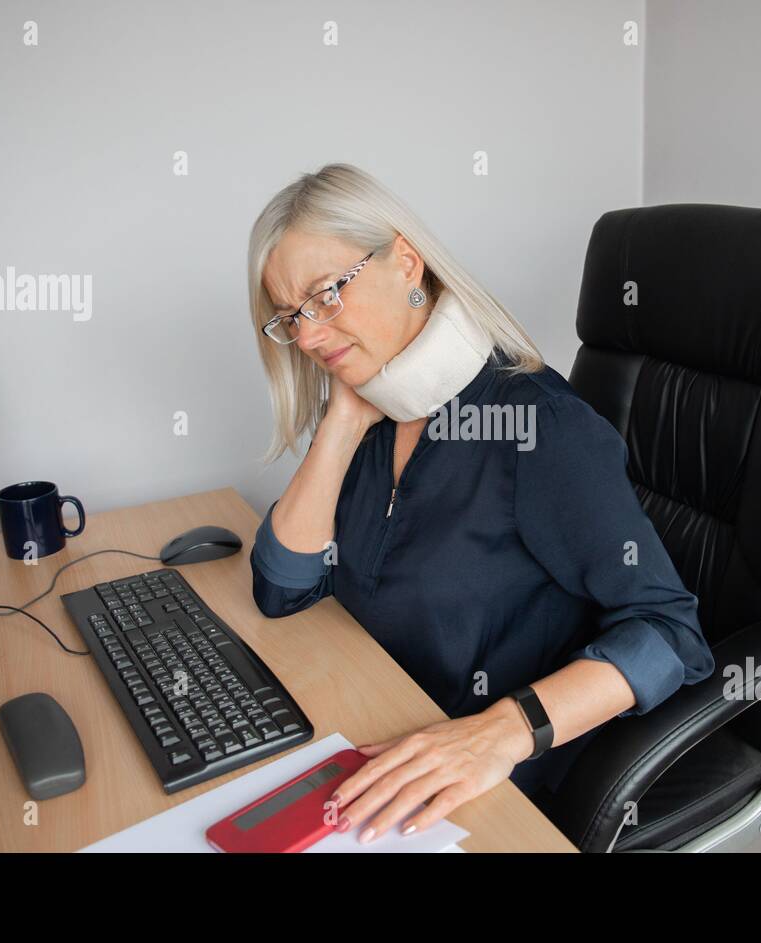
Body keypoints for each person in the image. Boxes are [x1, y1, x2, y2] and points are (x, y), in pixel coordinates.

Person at [246, 162, 714, 845]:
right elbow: (280, 589)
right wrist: (342, 423)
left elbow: (673, 633)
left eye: (324, 296)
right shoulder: (377, 406)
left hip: (485, 780)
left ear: (405, 262)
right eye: (293, 317)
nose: (310, 338)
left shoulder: (540, 427)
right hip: (376, 727)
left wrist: (503, 730)